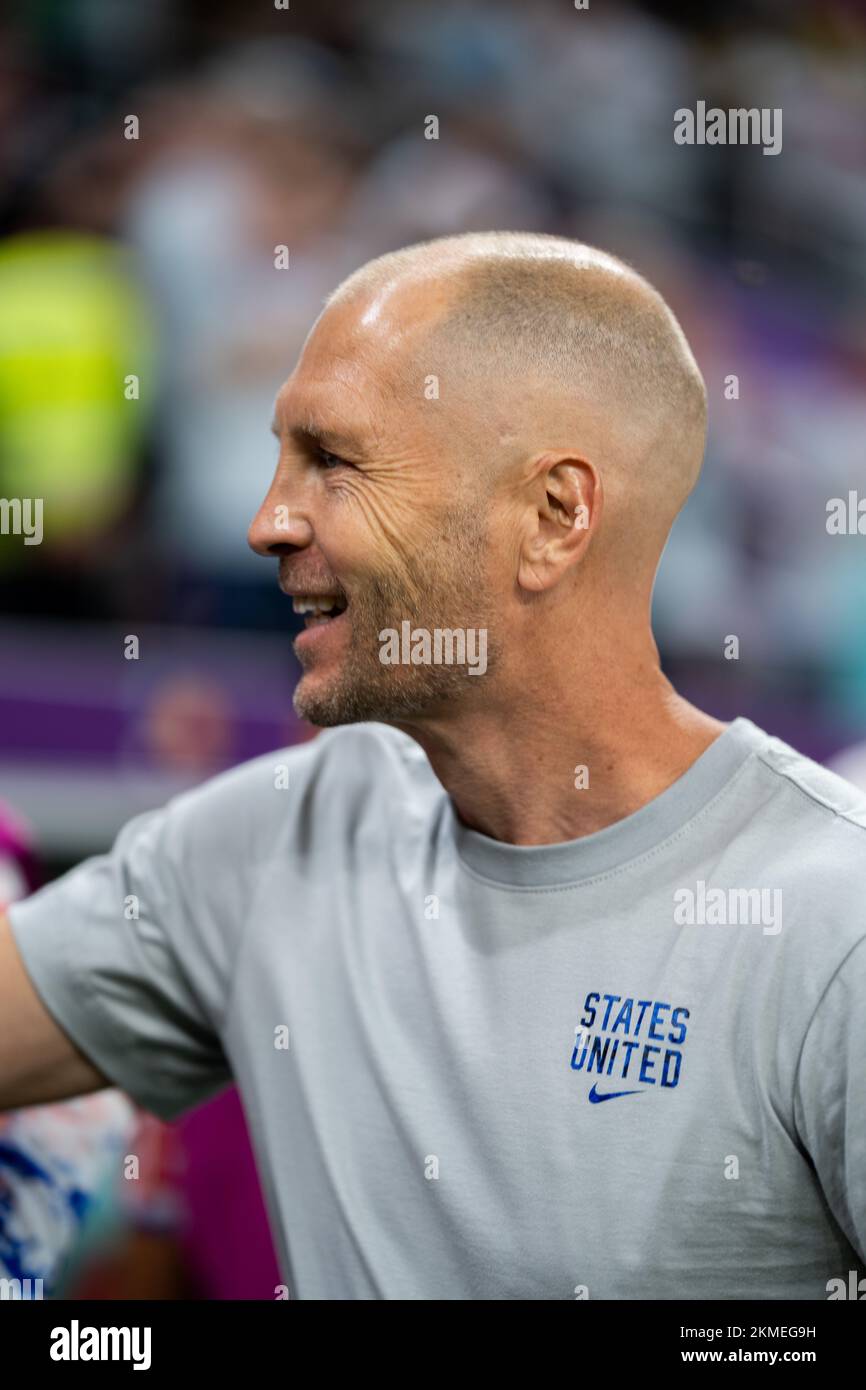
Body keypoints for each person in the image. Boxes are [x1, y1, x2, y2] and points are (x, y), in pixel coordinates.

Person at [1, 232, 864, 1300]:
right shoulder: (272, 840)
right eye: (279, 458)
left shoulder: (836, 926)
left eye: (333, 461)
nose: (266, 520)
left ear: (553, 517)